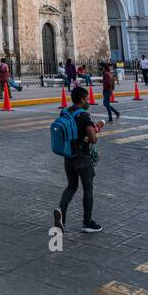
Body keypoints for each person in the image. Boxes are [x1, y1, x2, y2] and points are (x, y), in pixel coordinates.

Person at [52, 85, 103, 233]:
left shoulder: (65, 112)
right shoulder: (84, 115)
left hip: (68, 156)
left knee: (71, 186)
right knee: (88, 189)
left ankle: (61, 211)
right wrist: (94, 134)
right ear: (82, 99)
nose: (88, 101)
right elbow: (93, 139)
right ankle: (87, 222)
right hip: (82, 157)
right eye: (87, 98)